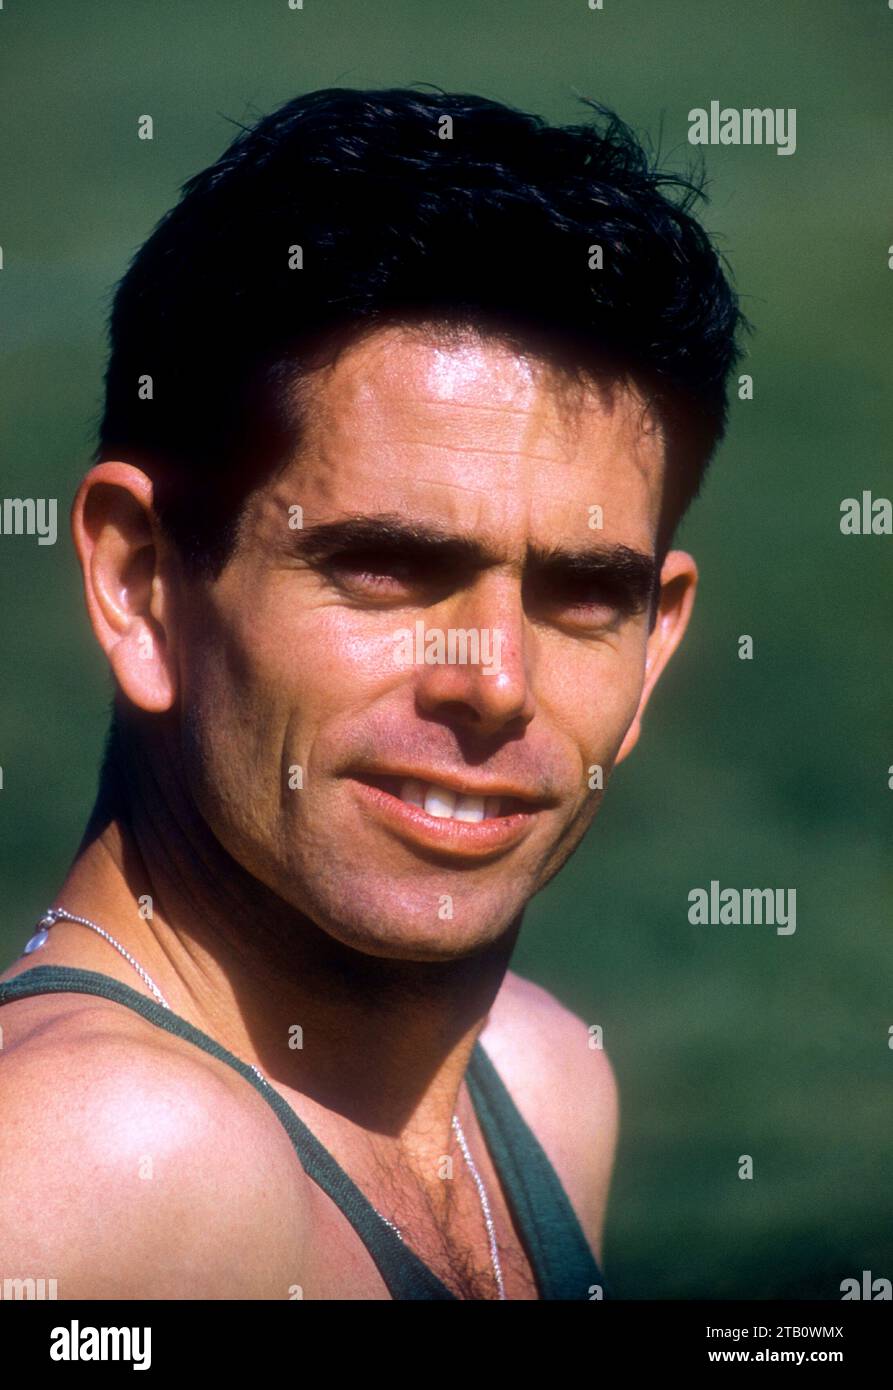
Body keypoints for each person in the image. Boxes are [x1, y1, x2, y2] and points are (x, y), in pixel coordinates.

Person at [0, 86, 744, 1300]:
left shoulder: (542, 1083)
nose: (496, 683)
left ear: (654, 645)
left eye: (580, 593)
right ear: (140, 584)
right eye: (388, 568)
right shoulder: (102, 1152)